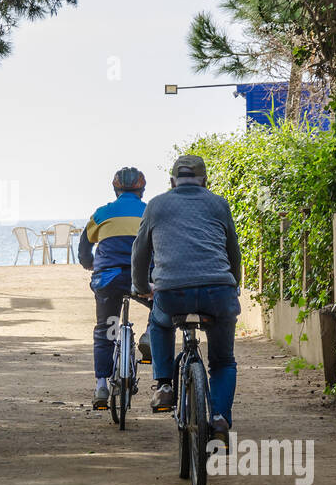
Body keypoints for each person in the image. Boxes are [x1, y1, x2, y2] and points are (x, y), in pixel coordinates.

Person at [131, 155, 241, 442]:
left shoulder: (156, 205)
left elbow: (140, 253)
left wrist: (143, 286)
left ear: (171, 182)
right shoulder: (219, 203)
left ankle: (164, 385)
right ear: (205, 181)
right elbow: (233, 253)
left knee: (159, 322)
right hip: (219, 292)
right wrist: (235, 285)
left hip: (172, 293)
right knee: (223, 361)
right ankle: (219, 420)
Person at [78, 167, 152, 408]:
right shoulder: (150, 212)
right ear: (141, 190)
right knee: (162, 306)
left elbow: (84, 245)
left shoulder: (102, 213)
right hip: (141, 279)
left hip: (108, 279)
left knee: (105, 330)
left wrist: (89, 264)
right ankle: (150, 335)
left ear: (115, 189)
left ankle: (101, 385)